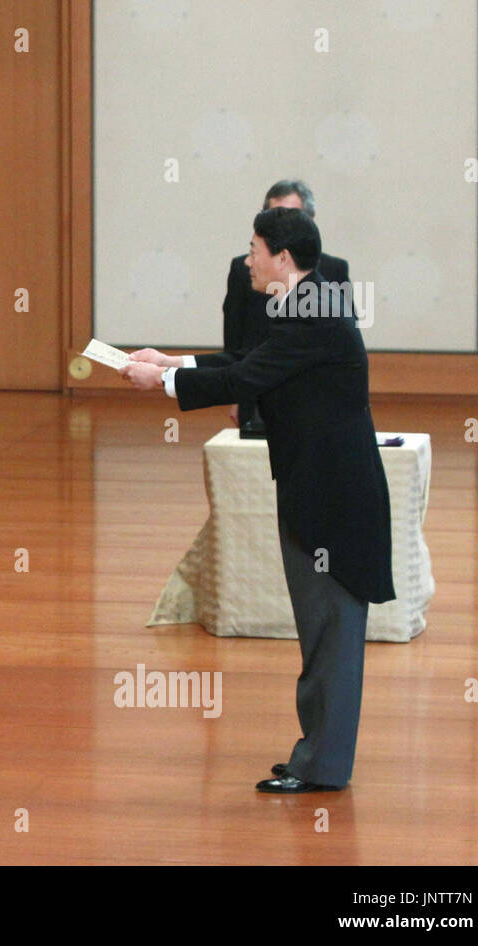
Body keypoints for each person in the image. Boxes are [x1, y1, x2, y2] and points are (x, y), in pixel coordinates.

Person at [120, 207, 394, 793]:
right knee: (320, 632)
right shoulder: (301, 305)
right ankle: (315, 756)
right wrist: (172, 362)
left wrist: (161, 383)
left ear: (282, 258)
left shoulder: (315, 315)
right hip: (318, 491)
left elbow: (245, 381)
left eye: (254, 250)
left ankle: (322, 767)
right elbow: (248, 362)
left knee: (331, 635)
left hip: (334, 502)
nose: (247, 260)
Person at [221, 180, 349, 432]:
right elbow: (234, 334)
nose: (282, 228)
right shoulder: (245, 269)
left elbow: (344, 344)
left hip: (313, 396)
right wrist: (236, 395)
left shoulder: (334, 270)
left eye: (292, 216)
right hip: (256, 387)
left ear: (310, 221)